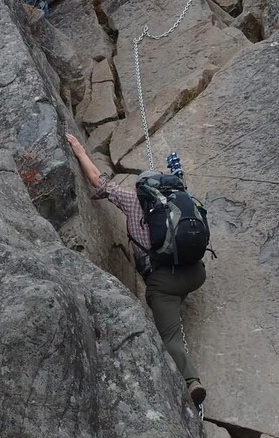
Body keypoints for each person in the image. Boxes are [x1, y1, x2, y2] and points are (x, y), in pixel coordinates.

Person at [64, 133, 206, 409]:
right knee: (178, 287)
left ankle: (191, 381)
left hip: (163, 283)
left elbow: (97, 181)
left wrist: (80, 151)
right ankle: (180, 296)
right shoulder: (180, 199)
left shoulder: (133, 200)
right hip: (196, 273)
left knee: (170, 336)